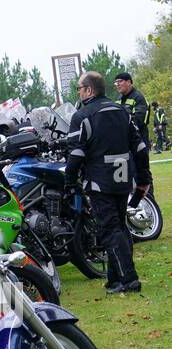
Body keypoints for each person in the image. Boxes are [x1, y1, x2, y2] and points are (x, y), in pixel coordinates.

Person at [67, 71, 151, 293]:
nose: (78, 92)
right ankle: (115, 279)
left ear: (88, 90)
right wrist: (144, 177)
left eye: (79, 88)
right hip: (122, 175)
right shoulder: (122, 111)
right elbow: (140, 147)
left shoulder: (82, 115)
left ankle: (129, 279)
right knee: (119, 226)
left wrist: (69, 180)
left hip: (99, 179)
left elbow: (75, 154)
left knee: (110, 228)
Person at [115, 72, 150, 146]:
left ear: (128, 82)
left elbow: (139, 121)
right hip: (124, 141)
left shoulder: (138, 97)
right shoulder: (118, 99)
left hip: (138, 140)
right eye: (116, 82)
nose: (117, 84)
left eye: (120, 81)